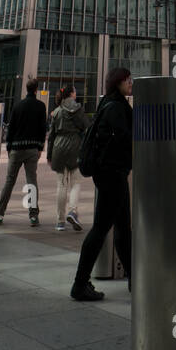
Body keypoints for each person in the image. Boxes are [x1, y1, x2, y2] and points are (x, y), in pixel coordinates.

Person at [70, 66, 133, 301]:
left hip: (112, 174)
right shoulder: (116, 107)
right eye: (127, 80)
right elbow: (125, 139)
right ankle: (79, 284)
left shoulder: (108, 102)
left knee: (123, 228)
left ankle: (134, 278)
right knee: (101, 229)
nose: (130, 83)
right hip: (112, 175)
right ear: (118, 82)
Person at [0, 77, 47, 227]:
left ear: (27, 89)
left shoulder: (18, 106)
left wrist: (9, 147)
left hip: (16, 149)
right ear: (36, 90)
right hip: (31, 149)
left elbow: (11, 129)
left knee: (9, 181)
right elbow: (42, 129)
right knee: (31, 181)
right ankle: (33, 216)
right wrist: (40, 148)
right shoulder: (40, 106)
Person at [47, 85, 86, 232]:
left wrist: (49, 155)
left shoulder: (56, 112)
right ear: (71, 94)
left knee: (61, 184)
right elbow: (86, 127)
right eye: (75, 92)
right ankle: (73, 211)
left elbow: (51, 136)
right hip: (75, 147)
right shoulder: (78, 110)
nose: (76, 94)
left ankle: (60, 221)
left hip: (58, 148)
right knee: (75, 183)